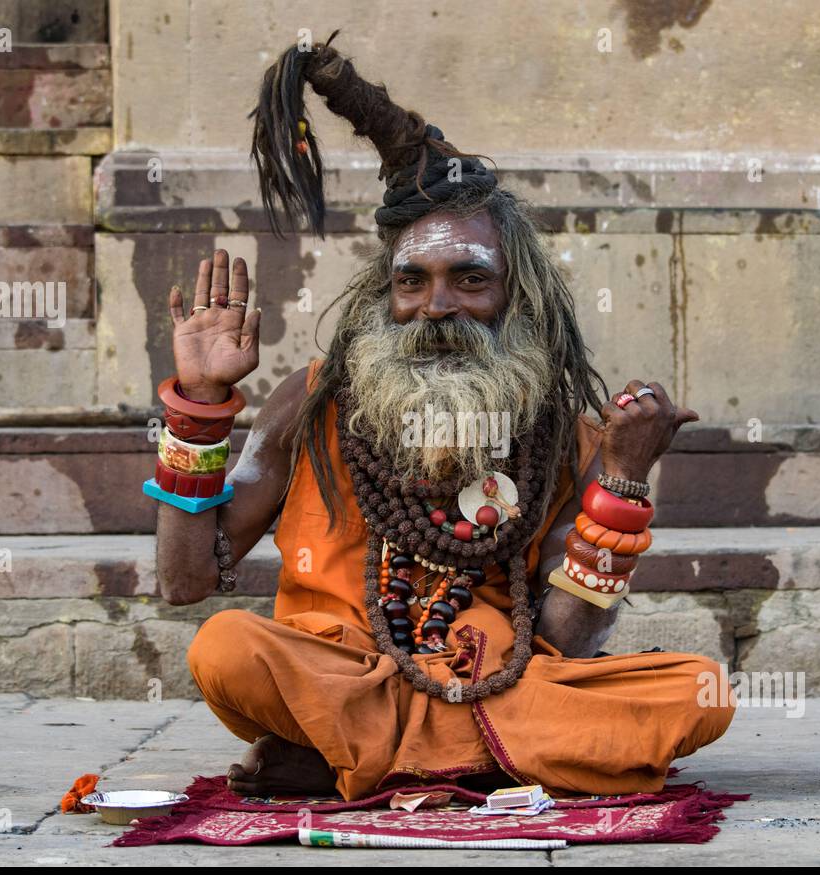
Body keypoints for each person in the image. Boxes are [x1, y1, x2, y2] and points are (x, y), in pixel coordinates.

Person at [151, 33, 736, 801]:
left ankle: (347, 757)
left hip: (500, 681)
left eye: (470, 278)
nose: (437, 306)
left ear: (512, 295)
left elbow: (568, 638)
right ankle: (469, 759)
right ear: (382, 294)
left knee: (701, 691)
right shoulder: (314, 399)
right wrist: (198, 409)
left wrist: (623, 481)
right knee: (227, 649)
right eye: (413, 280)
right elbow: (186, 581)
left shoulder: (559, 429)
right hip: (344, 676)